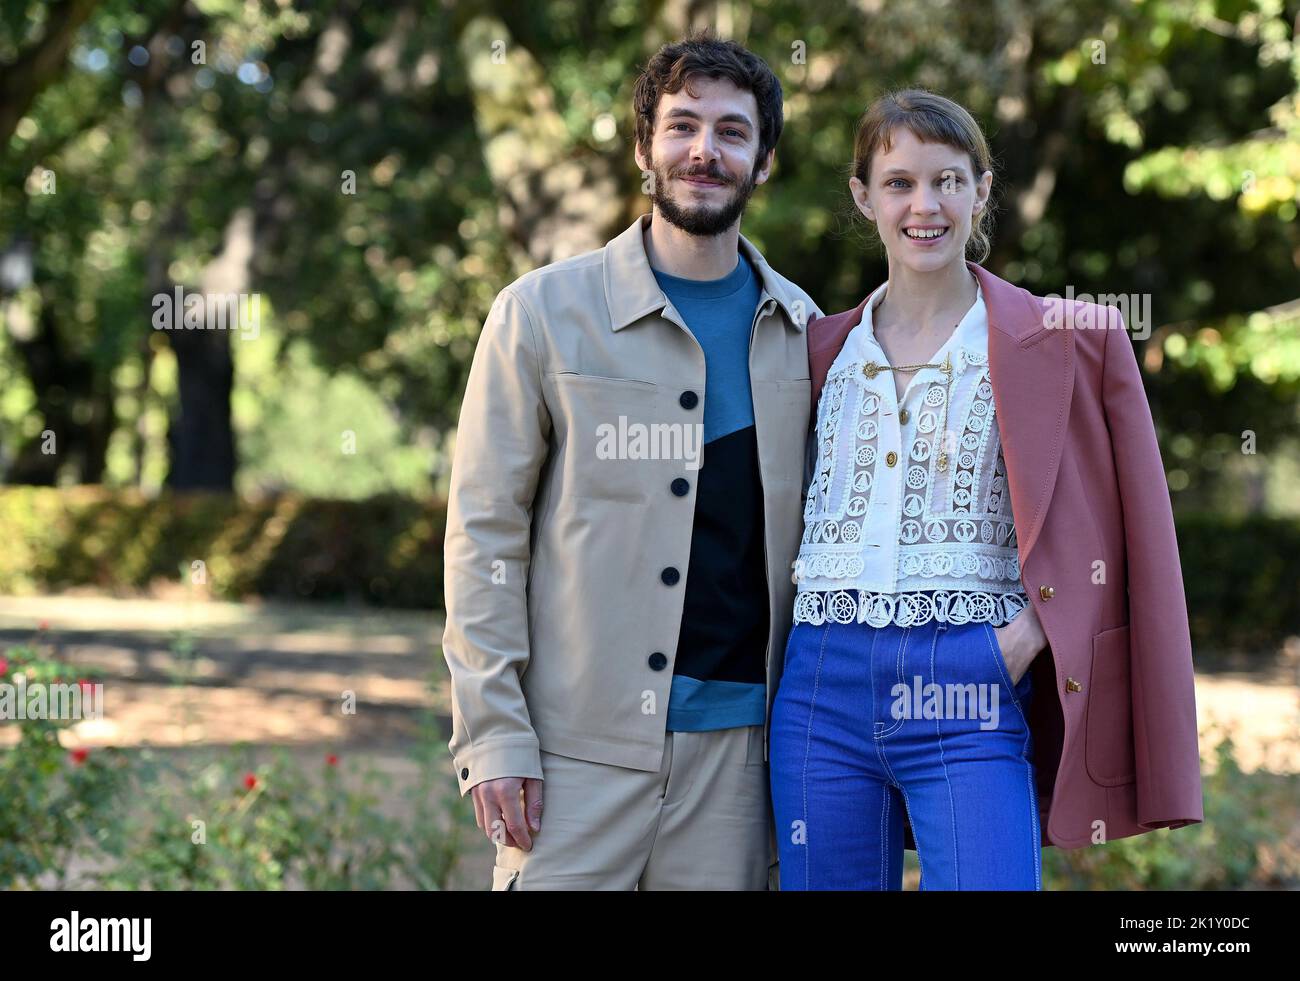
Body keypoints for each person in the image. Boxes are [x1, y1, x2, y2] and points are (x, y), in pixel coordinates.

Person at [769, 89, 1204, 890]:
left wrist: (1024, 639)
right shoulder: (816, 346)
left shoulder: (1069, 339)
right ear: (864, 196)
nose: (924, 205)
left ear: (982, 190)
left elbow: (1120, 522)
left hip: (968, 673)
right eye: (898, 182)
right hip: (818, 682)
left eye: (949, 180)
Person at [442, 31, 821, 890]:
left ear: (763, 162)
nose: (705, 150)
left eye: (733, 131)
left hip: (740, 769)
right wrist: (494, 731)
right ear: (643, 147)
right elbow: (484, 536)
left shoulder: (811, 334)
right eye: (682, 125)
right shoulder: (540, 314)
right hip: (571, 762)